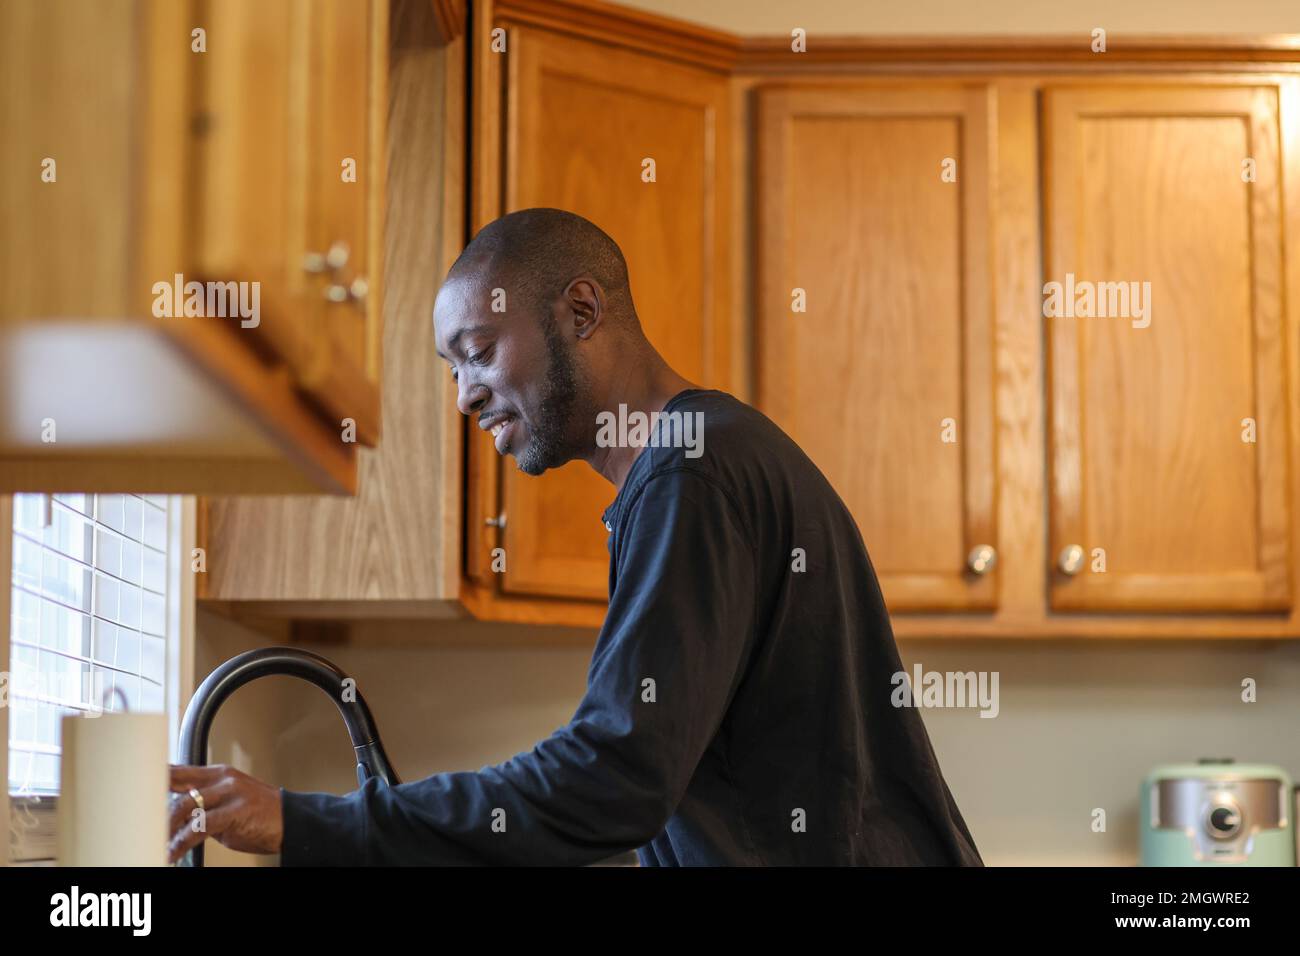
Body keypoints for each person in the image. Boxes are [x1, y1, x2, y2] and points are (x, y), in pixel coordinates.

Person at [168, 208, 984, 866]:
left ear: (581, 311)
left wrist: (306, 822)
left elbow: (614, 778)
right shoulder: (701, 461)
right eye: (451, 369)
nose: (463, 396)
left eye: (478, 352)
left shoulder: (690, 473)